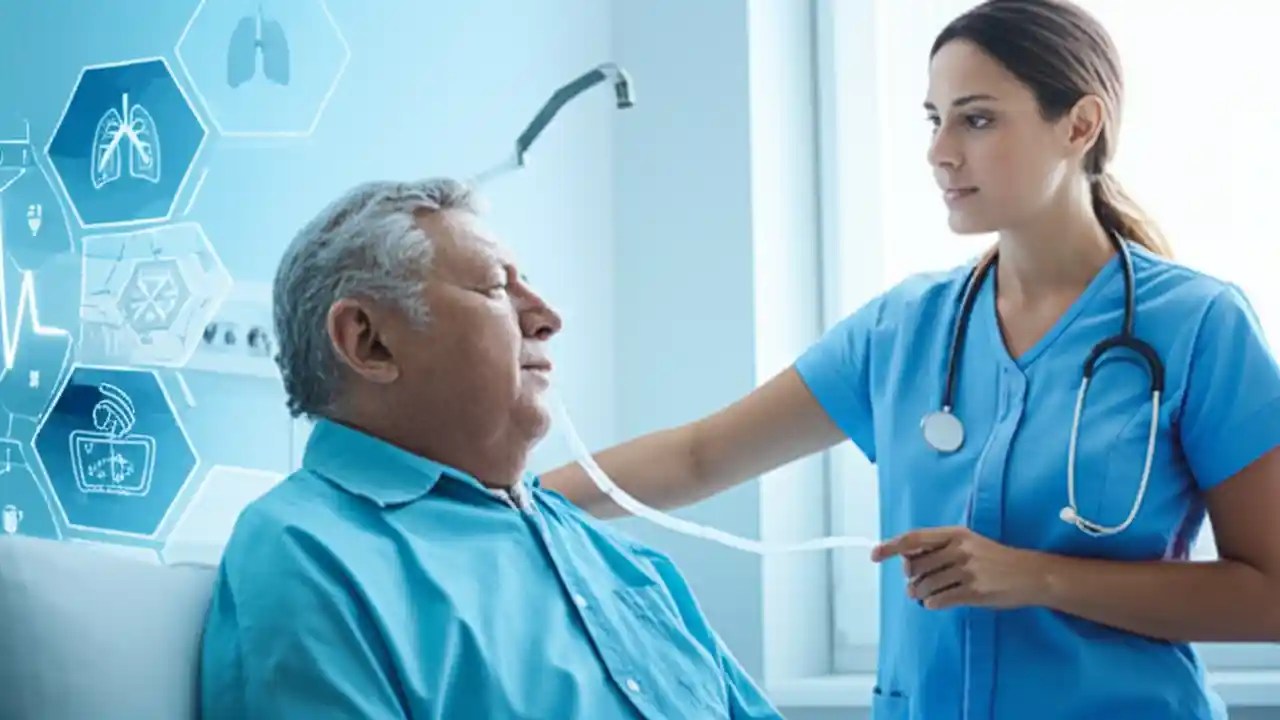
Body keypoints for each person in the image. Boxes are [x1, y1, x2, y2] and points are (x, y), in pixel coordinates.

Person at [542, 1, 1280, 718]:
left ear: (1079, 125)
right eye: (935, 120)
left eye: (977, 119)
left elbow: (1270, 596)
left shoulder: (1197, 325)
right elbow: (697, 456)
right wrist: (509, 502)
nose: (940, 152)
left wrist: (1037, 578)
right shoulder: (904, 329)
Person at [198, 178, 782, 720]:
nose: (548, 318)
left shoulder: (622, 561)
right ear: (370, 342)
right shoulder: (306, 552)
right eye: (499, 288)